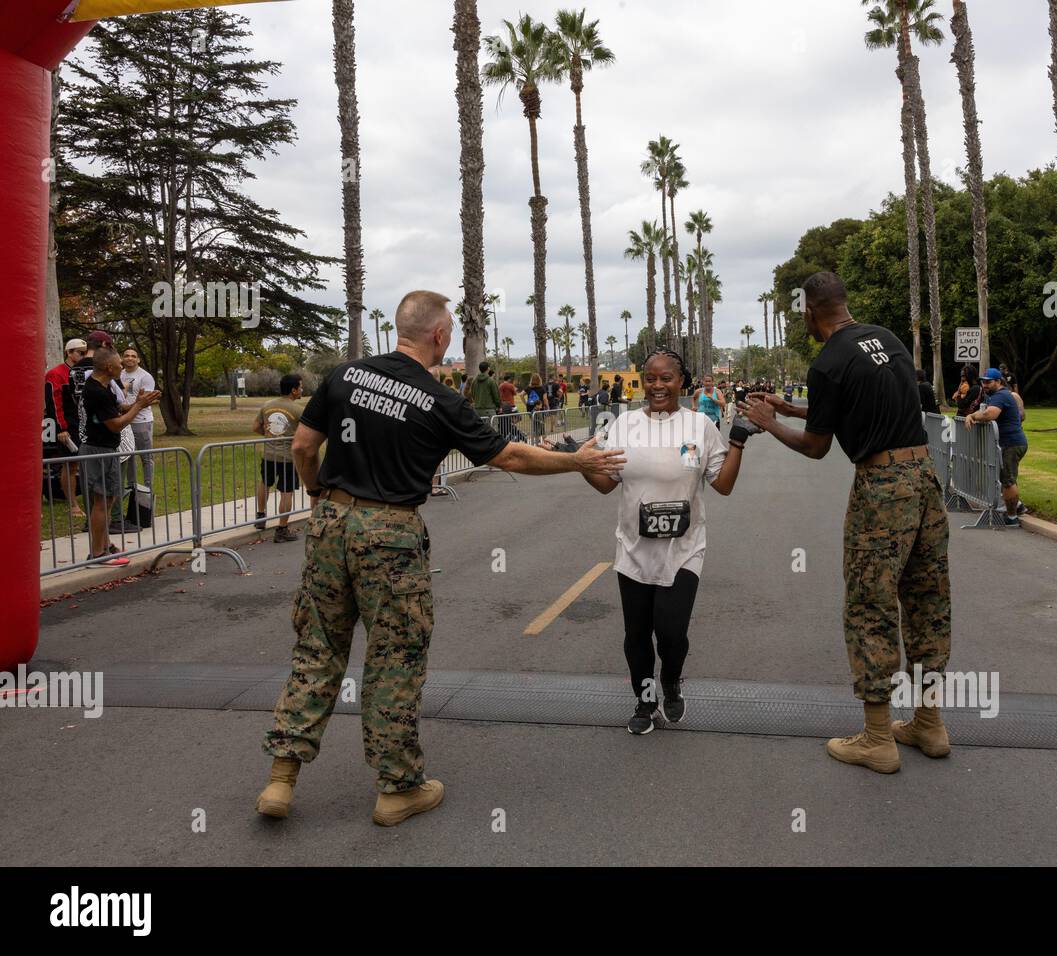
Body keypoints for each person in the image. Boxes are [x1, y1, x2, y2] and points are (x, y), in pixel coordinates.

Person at [256, 290, 625, 826]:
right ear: (439, 335)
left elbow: (302, 448)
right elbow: (510, 454)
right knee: (394, 659)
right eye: (450, 326)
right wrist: (577, 460)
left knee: (317, 647)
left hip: (331, 524)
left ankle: (280, 782)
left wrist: (318, 495)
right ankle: (396, 788)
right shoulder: (439, 400)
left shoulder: (343, 376)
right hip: (391, 530)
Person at [739, 271, 951, 775]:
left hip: (882, 488)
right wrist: (790, 406)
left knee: (870, 603)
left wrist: (771, 425)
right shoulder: (886, 339)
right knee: (926, 599)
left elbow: (817, 447)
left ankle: (878, 738)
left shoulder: (828, 361)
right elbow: (849, 406)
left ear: (810, 312)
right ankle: (929, 722)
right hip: (924, 478)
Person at [581, 348, 743, 734]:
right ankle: (645, 699)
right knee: (636, 634)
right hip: (634, 550)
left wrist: (737, 443)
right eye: (650, 378)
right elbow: (606, 485)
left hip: (684, 549)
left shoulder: (700, 426)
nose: (657, 385)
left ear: (681, 382)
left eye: (666, 378)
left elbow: (722, 484)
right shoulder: (623, 426)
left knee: (671, 634)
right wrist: (582, 465)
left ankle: (671, 678)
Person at [79, 347, 160, 565]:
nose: (122, 366)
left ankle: (106, 545)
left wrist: (139, 402)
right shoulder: (95, 390)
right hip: (98, 450)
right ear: (108, 367)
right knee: (101, 502)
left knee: (108, 499)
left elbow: (118, 409)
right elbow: (116, 425)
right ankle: (98, 553)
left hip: (106, 449)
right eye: (119, 363)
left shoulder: (103, 387)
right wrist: (140, 407)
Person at [965, 368, 1028, 524]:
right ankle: (1018, 506)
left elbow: (989, 414)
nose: (984, 385)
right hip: (1009, 443)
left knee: (1007, 480)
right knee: (1006, 477)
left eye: (988, 381)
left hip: (1011, 443)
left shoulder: (1001, 395)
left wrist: (971, 416)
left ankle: (1012, 518)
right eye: (983, 381)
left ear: (998, 381)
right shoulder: (993, 395)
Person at [253, 373, 305, 543]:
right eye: (301, 387)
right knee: (286, 492)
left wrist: (270, 436)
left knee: (264, 483)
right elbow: (305, 433)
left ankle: (260, 517)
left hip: (268, 455)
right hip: (287, 458)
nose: (302, 390)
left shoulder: (267, 405)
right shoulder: (298, 410)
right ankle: (282, 530)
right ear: (293, 390)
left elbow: (255, 427)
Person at [44, 338, 88, 520]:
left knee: (84, 463)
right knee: (69, 465)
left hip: (84, 424)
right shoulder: (56, 374)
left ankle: (87, 498)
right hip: (67, 425)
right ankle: (73, 504)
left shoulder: (85, 373)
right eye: (80, 352)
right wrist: (61, 428)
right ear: (69, 353)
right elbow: (53, 403)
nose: (84, 356)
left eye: (85, 352)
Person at [119, 347, 156, 501]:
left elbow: (145, 401)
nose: (130, 358)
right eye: (126, 355)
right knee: (128, 455)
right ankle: (132, 486)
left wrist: (124, 406)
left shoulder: (145, 377)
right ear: (122, 358)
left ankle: (147, 488)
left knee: (145, 457)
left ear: (138, 360)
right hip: (124, 421)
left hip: (141, 421)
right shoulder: (118, 374)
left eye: (133, 356)